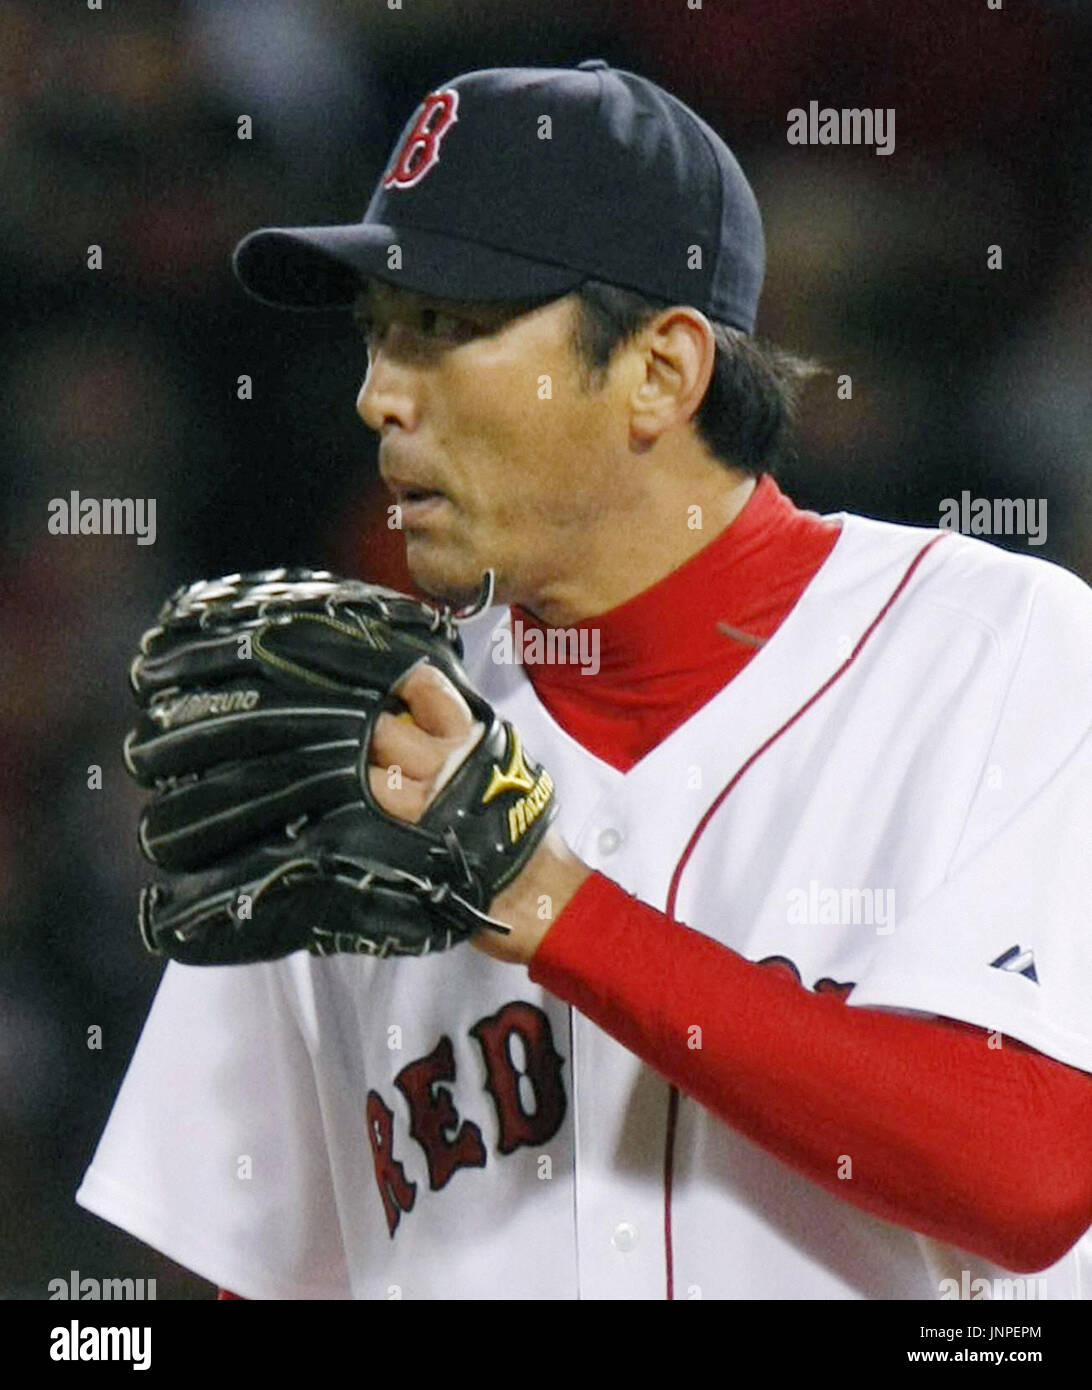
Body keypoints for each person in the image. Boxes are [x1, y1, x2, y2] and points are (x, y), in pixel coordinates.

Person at [77, 61, 1092, 1300]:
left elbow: (1030, 1170)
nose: (377, 394)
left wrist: (556, 907)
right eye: (374, 333)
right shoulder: (347, 744)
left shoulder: (992, 648)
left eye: (442, 328)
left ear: (661, 371)